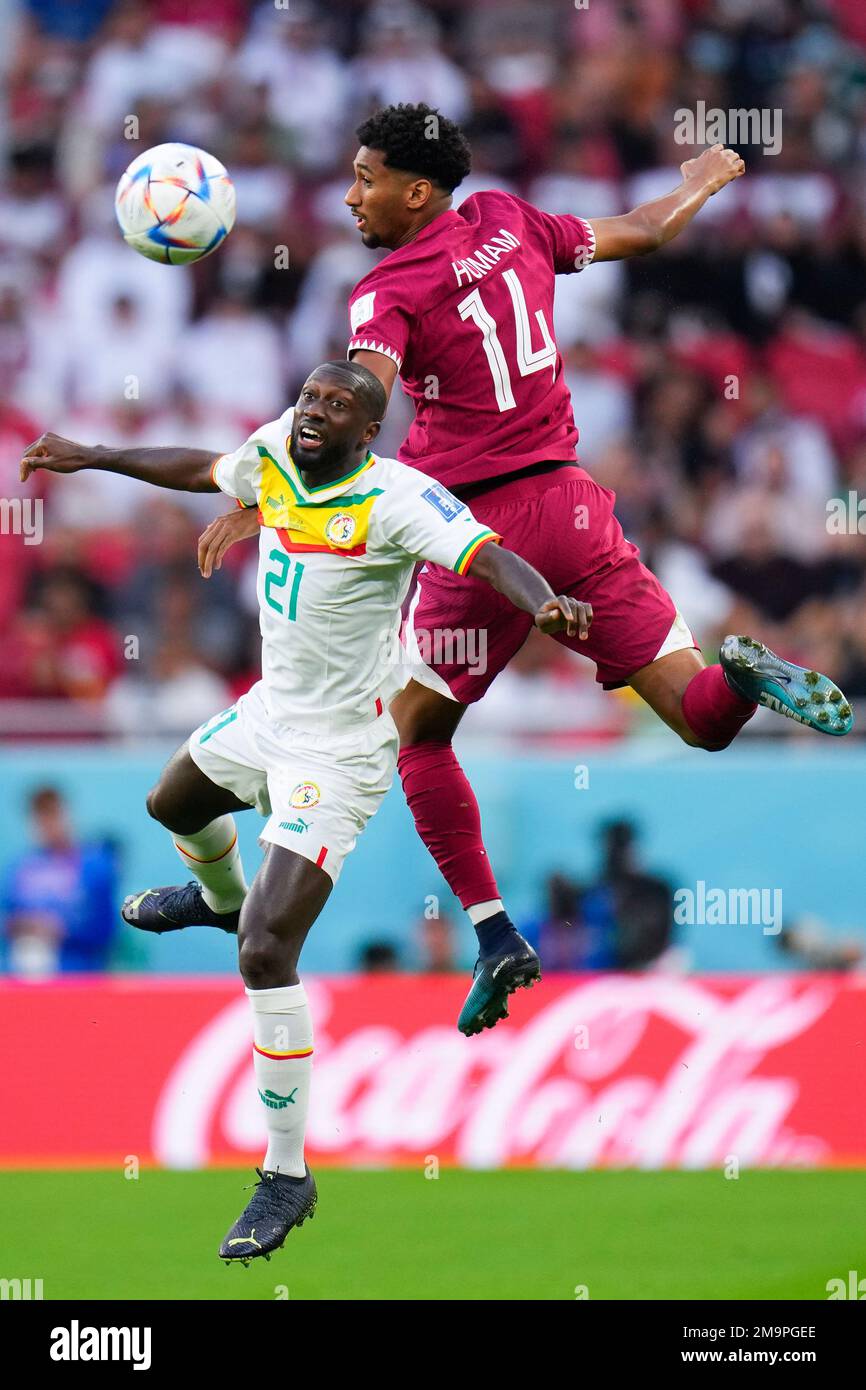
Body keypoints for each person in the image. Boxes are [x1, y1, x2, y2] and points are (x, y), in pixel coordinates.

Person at [203, 103, 854, 1041]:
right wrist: (706, 178)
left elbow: (358, 403)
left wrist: (264, 489)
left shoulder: (384, 293)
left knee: (417, 737)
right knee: (703, 718)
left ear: (415, 190)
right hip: (576, 506)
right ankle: (745, 674)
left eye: (365, 179)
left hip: (482, 534)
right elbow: (643, 229)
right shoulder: (511, 220)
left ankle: (493, 931)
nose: (351, 196)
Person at [20, 359, 588, 1263]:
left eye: (339, 405)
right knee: (171, 800)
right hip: (267, 714)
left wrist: (544, 602)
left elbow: (489, 554)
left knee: (266, 948)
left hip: (338, 752)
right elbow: (203, 463)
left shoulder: (400, 498)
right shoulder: (276, 453)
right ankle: (213, 896)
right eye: (311, 398)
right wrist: (91, 455)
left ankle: (287, 1175)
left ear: (370, 431)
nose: (315, 412)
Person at [0, 786, 119, 976]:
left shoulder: (94, 865)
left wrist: (62, 930)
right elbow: (7, 919)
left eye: (52, 814)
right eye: (40, 817)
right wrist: (21, 925)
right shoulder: (20, 868)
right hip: (23, 979)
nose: (47, 824)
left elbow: (107, 930)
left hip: (78, 979)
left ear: (66, 814)